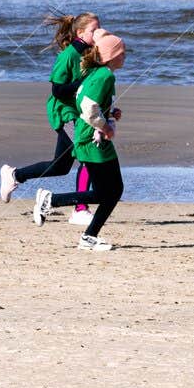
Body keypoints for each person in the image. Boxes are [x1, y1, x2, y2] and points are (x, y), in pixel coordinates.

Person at [0, 12, 101, 226]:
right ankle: (80, 209)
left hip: (80, 112)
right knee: (87, 155)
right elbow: (57, 90)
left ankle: (15, 175)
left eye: (100, 29)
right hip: (66, 112)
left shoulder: (91, 54)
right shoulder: (68, 56)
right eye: (94, 30)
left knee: (60, 167)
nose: (98, 33)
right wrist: (79, 86)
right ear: (80, 33)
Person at [69, 30, 127, 252]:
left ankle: (89, 236)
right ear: (111, 55)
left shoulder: (98, 73)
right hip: (92, 138)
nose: (125, 56)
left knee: (111, 191)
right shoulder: (105, 76)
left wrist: (110, 113)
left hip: (92, 136)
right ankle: (51, 201)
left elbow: (84, 99)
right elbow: (88, 108)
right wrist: (104, 127)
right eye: (122, 52)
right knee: (111, 191)